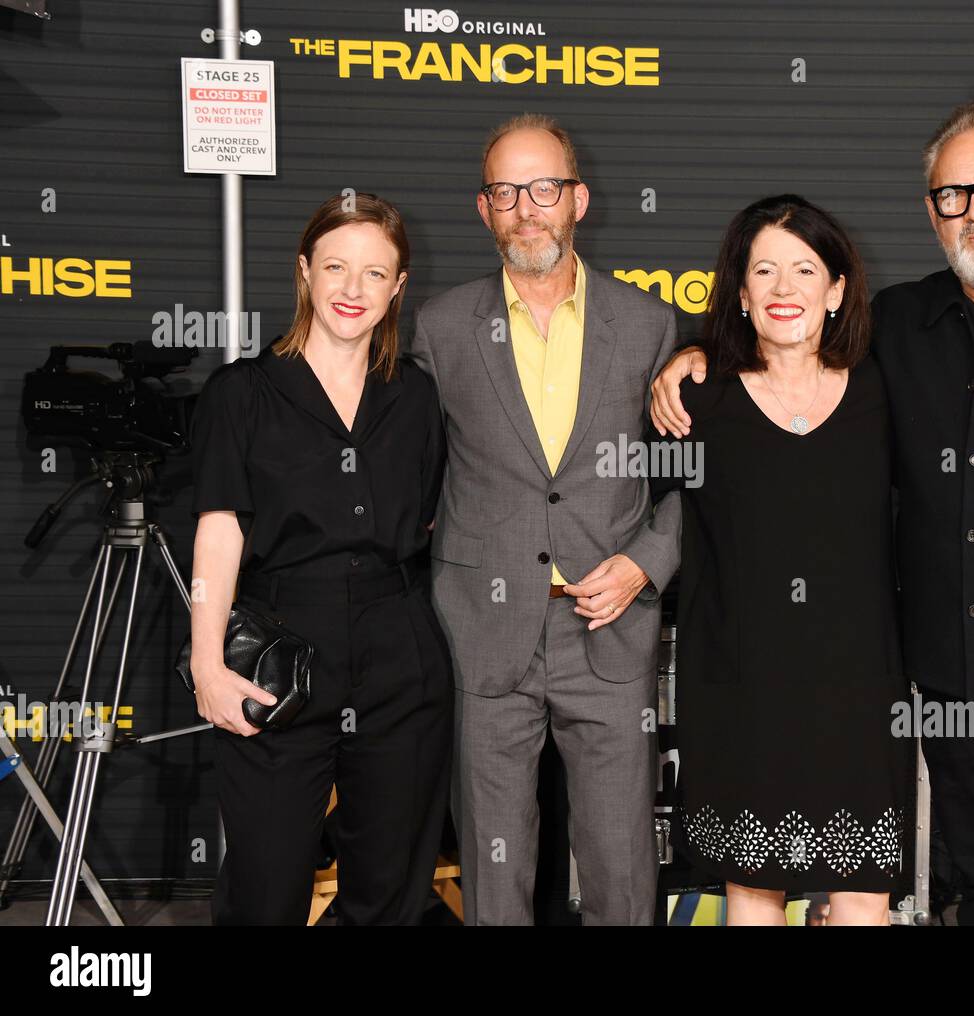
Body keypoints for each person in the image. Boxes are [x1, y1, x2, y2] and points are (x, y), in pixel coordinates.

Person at [650, 103, 974, 926]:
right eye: (953, 196)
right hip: (950, 681)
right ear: (930, 212)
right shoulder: (895, 326)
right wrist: (693, 351)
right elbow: (780, 341)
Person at [408, 114, 681, 925]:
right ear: (483, 208)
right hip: (481, 633)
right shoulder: (439, 327)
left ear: (578, 200)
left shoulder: (648, 324)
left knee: (621, 868)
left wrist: (647, 562)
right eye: (506, 191)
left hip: (609, 629)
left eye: (544, 188)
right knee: (495, 870)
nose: (527, 208)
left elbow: (700, 479)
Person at [188, 192, 453, 925]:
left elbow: (431, 518)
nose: (351, 289)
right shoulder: (240, 394)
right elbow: (219, 530)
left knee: (391, 889)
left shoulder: (417, 396)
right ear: (304, 271)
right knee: (265, 889)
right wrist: (208, 664)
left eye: (375, 274)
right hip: (278, 648)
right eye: (335, 266)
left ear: (398, 288)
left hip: (401, 650)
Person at [651, 195, 908, 926]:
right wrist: (688, 357)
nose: (784, 288)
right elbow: (639, 517)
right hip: (741, 692)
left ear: (836, 290)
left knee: (863, 893)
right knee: (753, 890)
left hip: (857, 694)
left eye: (804, 270)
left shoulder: (884, 392)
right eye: (764, 270)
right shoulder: (695, 401)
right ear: (739, 291)